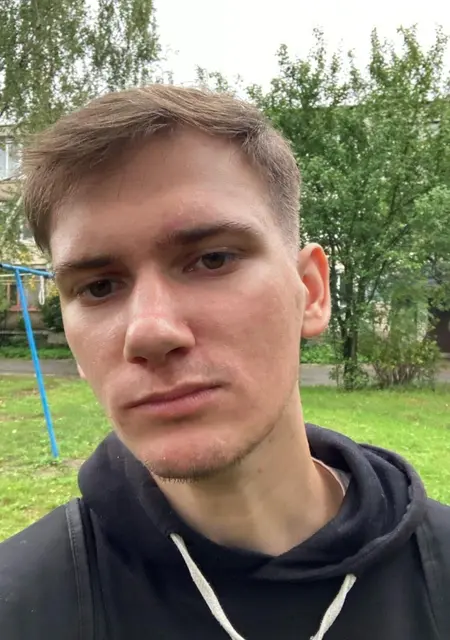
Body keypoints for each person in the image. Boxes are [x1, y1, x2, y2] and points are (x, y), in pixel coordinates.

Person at [0, 85, 449, 640]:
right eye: (98, 287)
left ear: (310, 292)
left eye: (212, 259)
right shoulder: (20, 605)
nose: (150, 331)